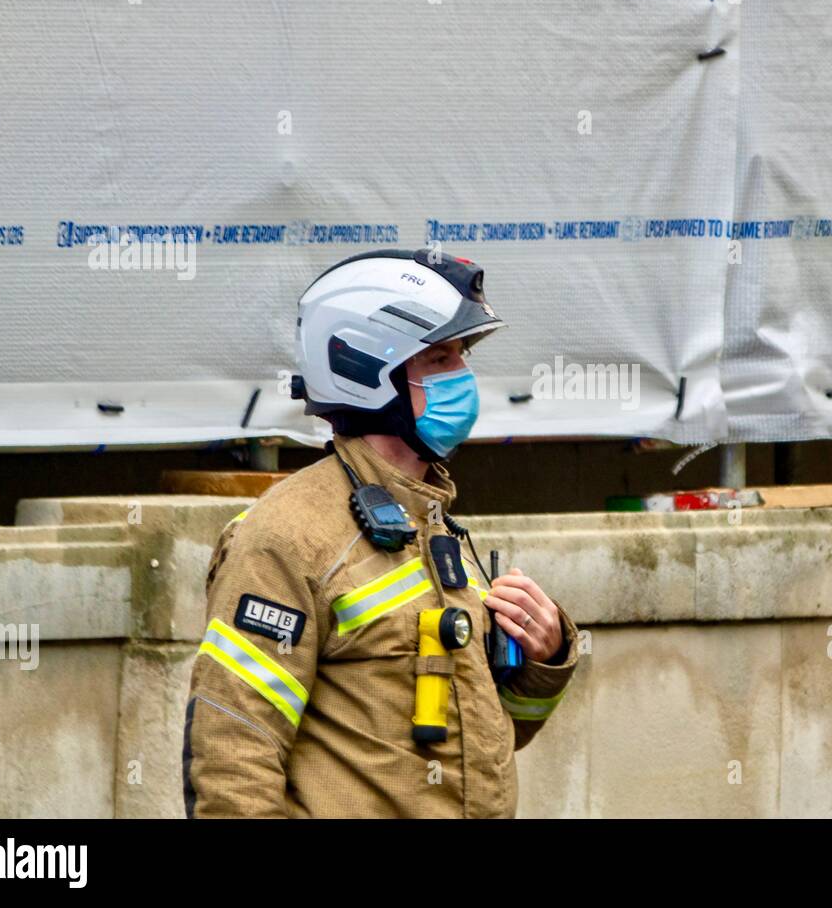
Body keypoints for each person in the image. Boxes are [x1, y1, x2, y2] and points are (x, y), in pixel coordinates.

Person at [182, 248, 580, 817]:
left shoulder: (432, 524)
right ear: (366, 368)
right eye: (440, 359)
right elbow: (233, 750)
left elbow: (470, 740)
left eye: (461, 356)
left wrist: (544, 656)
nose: (462, 378)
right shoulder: (289, 537)